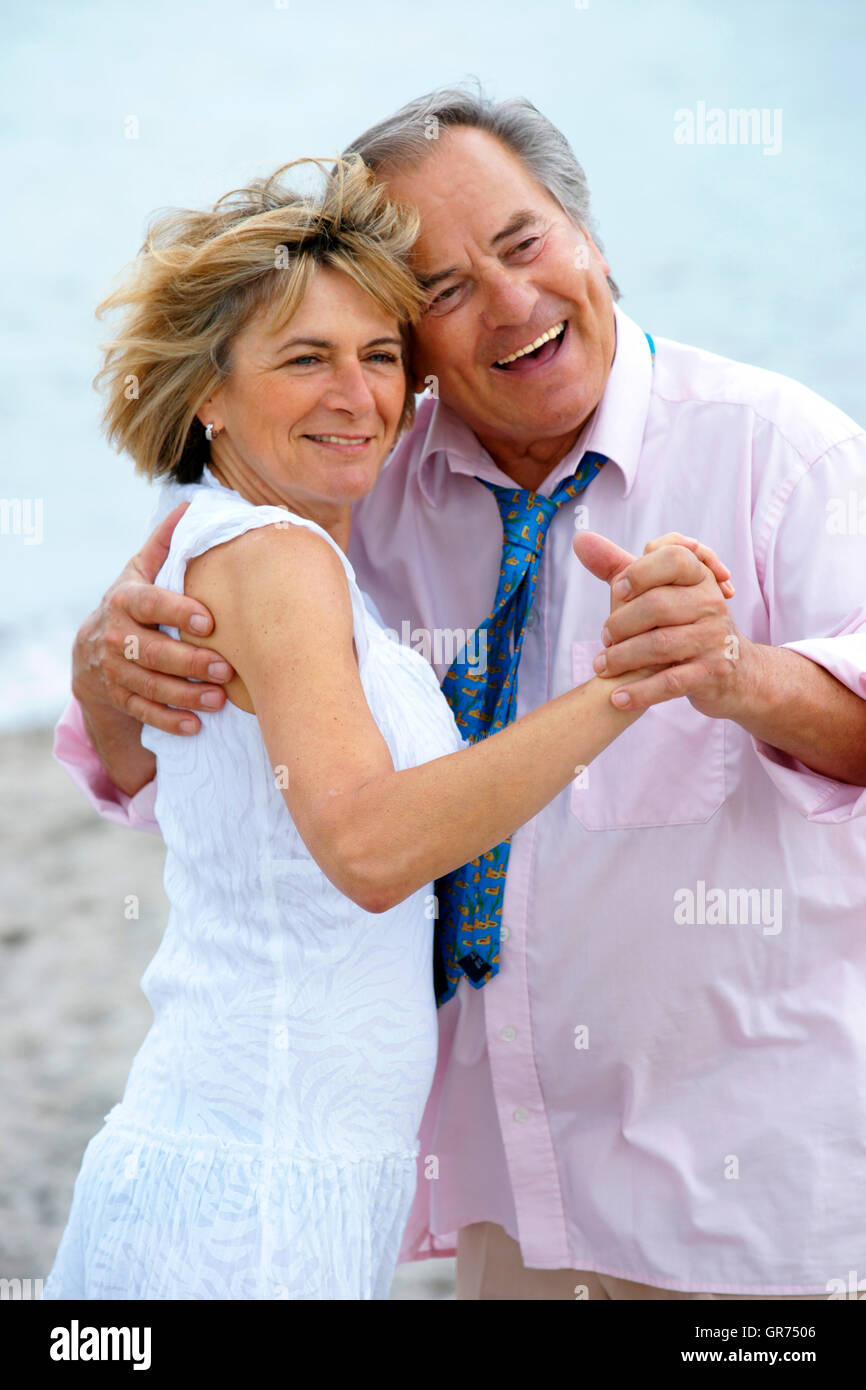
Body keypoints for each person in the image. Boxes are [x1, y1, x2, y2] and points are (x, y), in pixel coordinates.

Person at [57, 86, 866, 1301]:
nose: (507, 302)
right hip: (513, 1188)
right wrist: (106, 674)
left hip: (748, 1186)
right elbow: (169, 763)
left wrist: (731, 673)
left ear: (588, 237)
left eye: (524, 241)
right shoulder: (349, 490)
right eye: (436, 290)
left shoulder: (777, 449)